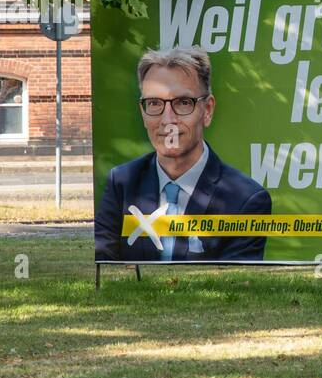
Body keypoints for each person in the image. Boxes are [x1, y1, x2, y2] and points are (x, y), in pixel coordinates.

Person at [95, 47, 272, 263]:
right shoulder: (122, 182)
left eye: (183, 103)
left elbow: (233, 286)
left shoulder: (246, 199)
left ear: (207, 110)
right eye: (154, 103)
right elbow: (105, 267)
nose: (168, 120)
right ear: (142, 112)